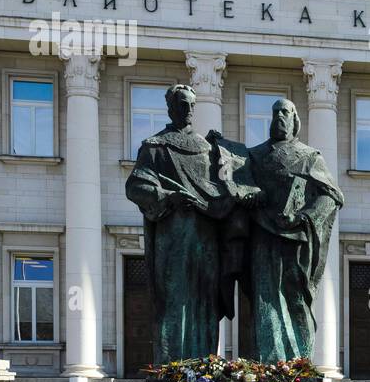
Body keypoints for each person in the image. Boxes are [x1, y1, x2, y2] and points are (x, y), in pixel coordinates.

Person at [125, 85, 245, 363]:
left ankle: (204, 365)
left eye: (191, 105)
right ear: (170, 107)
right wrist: (168, 196)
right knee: (174, 301)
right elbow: (136, 186)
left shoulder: (208, 148)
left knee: (206, 302)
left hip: (206, 236)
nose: (188, 110)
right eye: (182, 104)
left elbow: (226, 185)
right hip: (174, 236)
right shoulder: (156, 146)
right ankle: (172, 367)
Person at [242, 99, 344, 362]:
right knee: (265, 299)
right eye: (275, 112)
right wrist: (249, 195)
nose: (279, 117)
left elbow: (331, 195)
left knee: (296, 299)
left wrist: (304, 217)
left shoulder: (309, 156)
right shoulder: (253, 156)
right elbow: (238, 186)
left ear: (294, 119)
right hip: (262, 235)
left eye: (285, 112)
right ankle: (269, 363)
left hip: (295, 239)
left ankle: (298, 363)